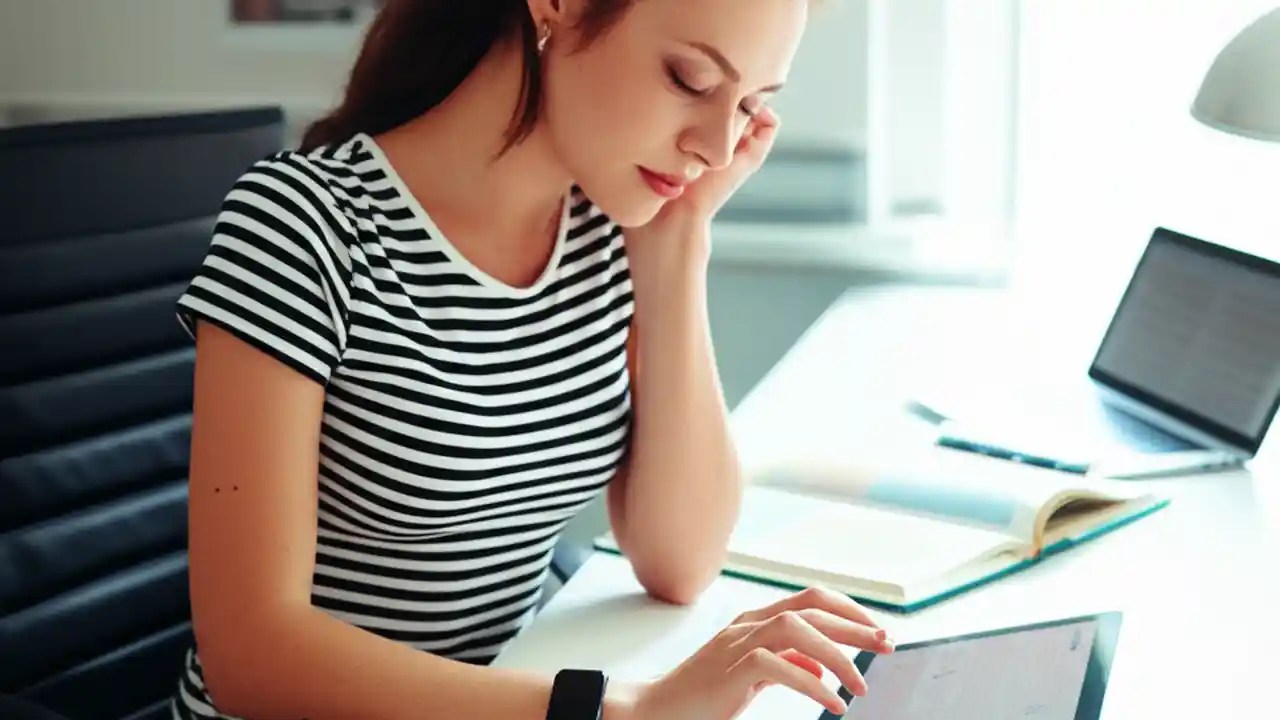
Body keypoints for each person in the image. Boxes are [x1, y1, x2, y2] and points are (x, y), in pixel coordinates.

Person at [171, 0, 895, 718]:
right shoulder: (300, 228)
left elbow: (681, 560)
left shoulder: (607, 229)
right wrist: (618, 713)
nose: (714, 145)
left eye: (750, 108)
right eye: (690, 80)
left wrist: (678, 246)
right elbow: (251, 654)